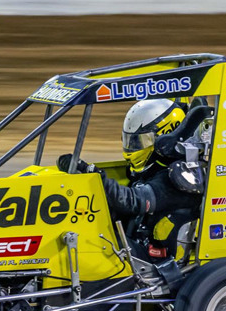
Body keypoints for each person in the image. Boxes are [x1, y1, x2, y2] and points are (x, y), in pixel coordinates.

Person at [58, 98, 211, 260]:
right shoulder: (151, 168)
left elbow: (132, 201)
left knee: (87, 243)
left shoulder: (179, 176)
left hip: (155, 263)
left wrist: (95, 176)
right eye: (130, 141)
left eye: (139, 142)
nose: (132, 148)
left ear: (163, 136)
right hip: (136, 245)